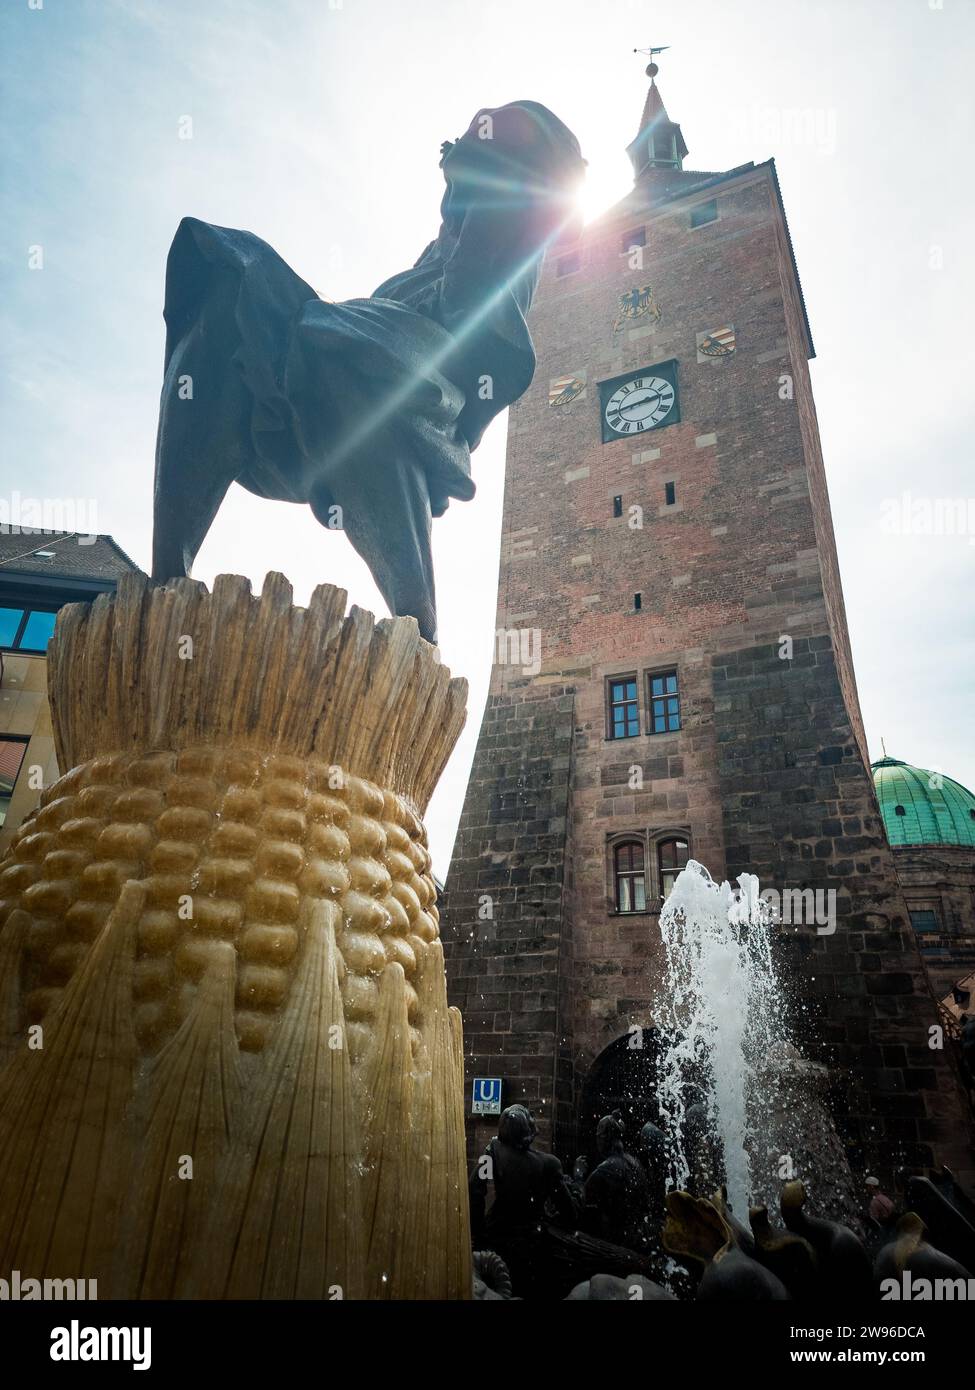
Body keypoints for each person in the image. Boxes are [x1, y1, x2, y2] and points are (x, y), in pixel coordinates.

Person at [152, 102, 585, 644]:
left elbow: (482, 288)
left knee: (346, 348)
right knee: (222, 300)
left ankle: (416, 626)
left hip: (419, 380)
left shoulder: (511, 251)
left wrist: (487, 173)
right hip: (339, 369)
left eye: (484, 151)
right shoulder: (424, 265)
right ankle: (163, 584)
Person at [468, 1104, 575, 1298]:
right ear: (529, 1129)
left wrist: (479, 1232)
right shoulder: (549, 1164)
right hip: (532, 1244)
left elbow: (475, 1190)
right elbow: (569, 1212)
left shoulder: (493, 1152)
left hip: (497, 1236)